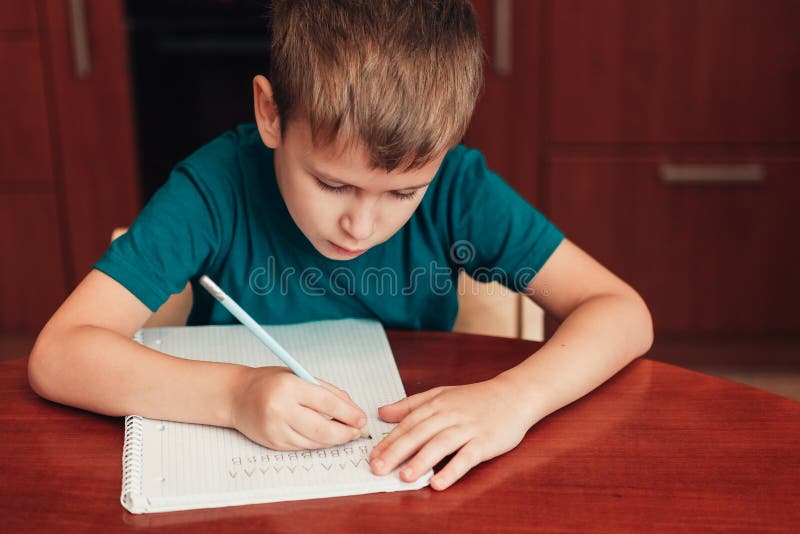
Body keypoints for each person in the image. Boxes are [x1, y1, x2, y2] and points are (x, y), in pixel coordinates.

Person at [28, 0, 653, 492]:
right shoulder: (214, 190)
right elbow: (59, 355)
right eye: (331, 183)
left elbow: (620, 310)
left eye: (402, 194)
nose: (361, 225)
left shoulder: (458, 191)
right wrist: (234, 395)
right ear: (271, 114)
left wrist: (515, 398)